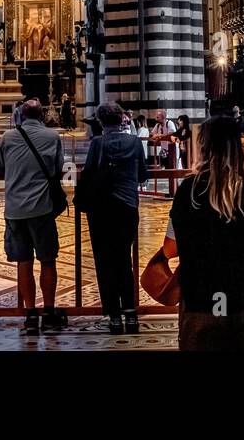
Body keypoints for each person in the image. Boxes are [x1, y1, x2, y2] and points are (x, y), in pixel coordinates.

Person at [165, 110, 244, 351]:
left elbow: (171, 246)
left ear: (204, 147)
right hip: (243, 294)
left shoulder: (189, 189)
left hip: (201, 293)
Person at [0, 103, 65, 334]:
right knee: (47, 259)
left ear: (20, 116)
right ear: (42, 114)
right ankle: (50, 312)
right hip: (42, 208)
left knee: (24, 262)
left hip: (15, 209)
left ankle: (31, 315)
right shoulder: (52, 136)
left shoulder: (7, 137)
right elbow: (58, 169)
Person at [78, 102, 149, 334]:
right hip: (127, 207)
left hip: (101, 209)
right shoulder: (135, 142)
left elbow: (88, 173)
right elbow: (142, 176)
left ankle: (114, 316)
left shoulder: (97, 143)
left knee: (104, 261)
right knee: (124, 260)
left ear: (100, 122)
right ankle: (130, 313)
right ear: (121, 119)